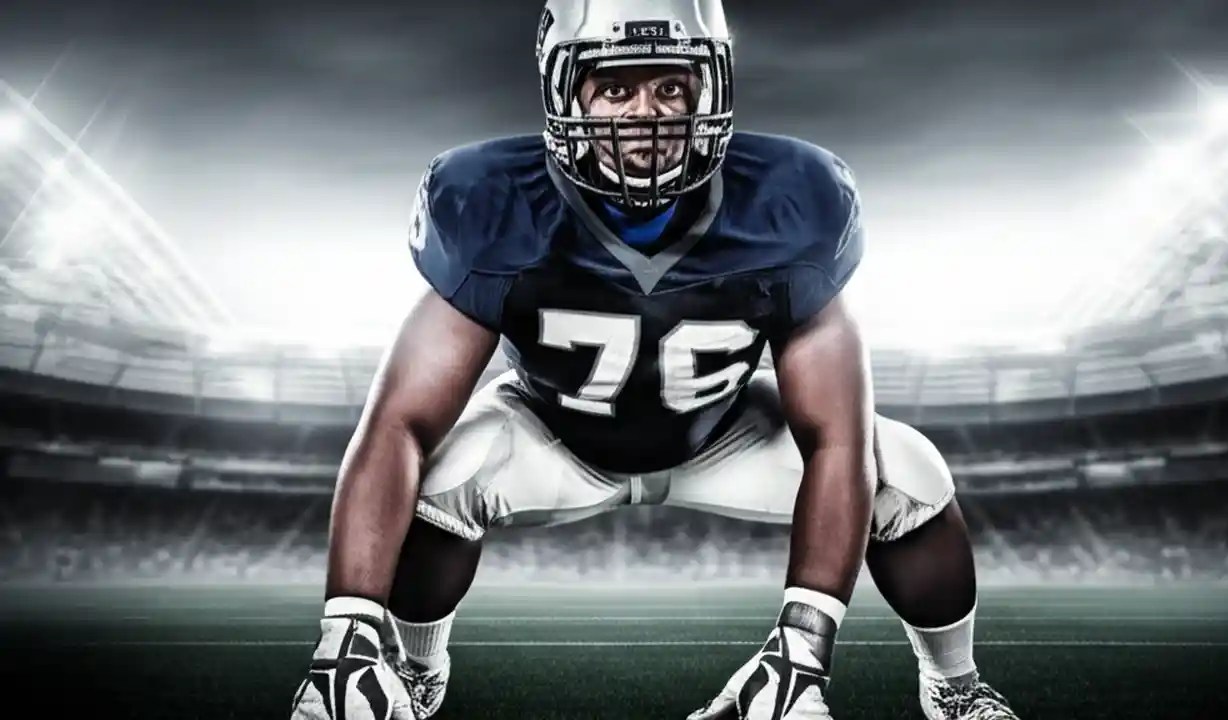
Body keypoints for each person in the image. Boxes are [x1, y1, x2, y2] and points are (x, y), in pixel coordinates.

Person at [290, 1, 1019, 718]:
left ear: (712, 88)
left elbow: (837, 434)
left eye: (671, 86)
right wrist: (345, 632)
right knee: (438, 472)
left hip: (721, 429)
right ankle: (412, 671)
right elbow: (399, 425)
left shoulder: (792, 204)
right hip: (555, 434)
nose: (649, 113)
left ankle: (954, 687)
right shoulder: (494, 203)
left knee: (907, 470)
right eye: (615, 87)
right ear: (562, 91)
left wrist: (803, 648)